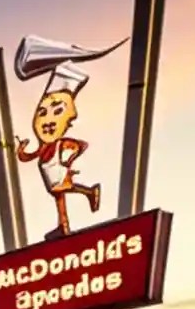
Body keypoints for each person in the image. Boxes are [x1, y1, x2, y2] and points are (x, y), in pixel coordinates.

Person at [12, 35, 125, 240]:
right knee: (59, 196)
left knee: (62, 190)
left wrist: (68, 161)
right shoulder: (45, 145)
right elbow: (29, 156)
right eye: (43, 112)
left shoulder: (59, 143)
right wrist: (21, 150)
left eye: (57, 112)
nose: (47, 120)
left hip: (56, 172)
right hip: (50, 173)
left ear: (68, 120)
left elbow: (80, 145)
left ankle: (90, 194)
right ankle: (64, 224)